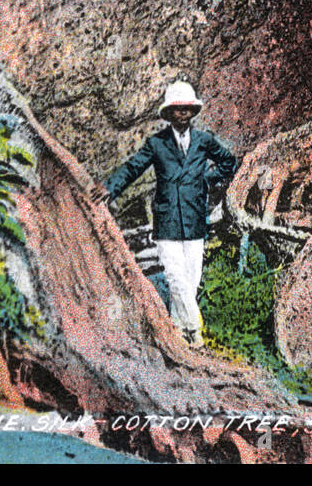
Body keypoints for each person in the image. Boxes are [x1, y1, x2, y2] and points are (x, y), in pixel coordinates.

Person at [99, 81, 238, 347]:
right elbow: (133, 168)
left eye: (187, 109)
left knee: (191, 280)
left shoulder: (204, 140)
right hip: (167, 221)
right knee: (175, 277)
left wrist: (207, 180)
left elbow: (228, 163)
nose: (182, 114)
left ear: (193, 112)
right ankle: (196, 332)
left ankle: (177, 329)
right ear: (169, 114)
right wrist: (110, 187)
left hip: (195, 218)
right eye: (177, 109)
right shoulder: (157, 144)